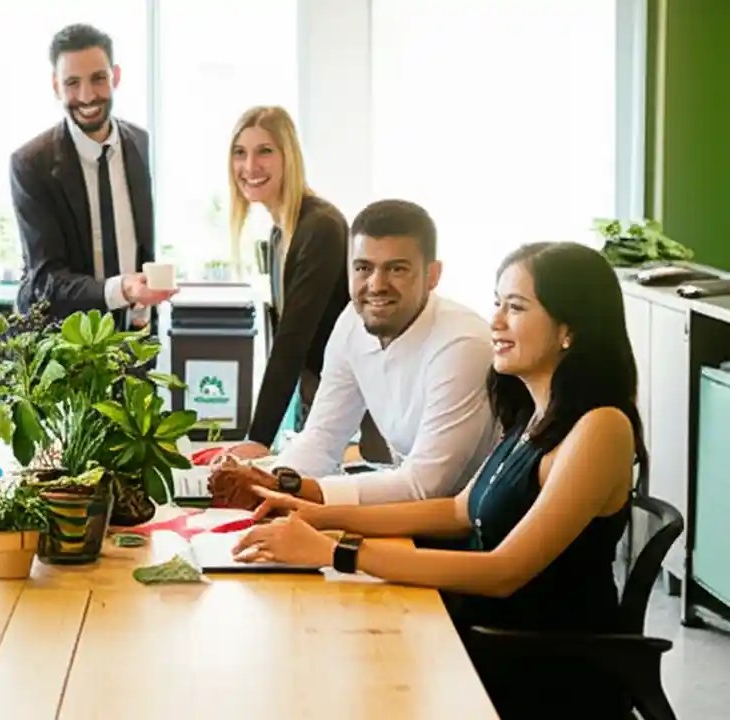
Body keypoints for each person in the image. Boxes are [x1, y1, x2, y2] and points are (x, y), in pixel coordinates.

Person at [235, 242, 640, 717]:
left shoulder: (601, 428)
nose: (496, 322)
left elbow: (503, 571)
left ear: (569, 329)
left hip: (539, 665)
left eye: (516, 307)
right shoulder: (532, 413)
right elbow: (457, 511)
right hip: (483, 634)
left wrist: (334, 551)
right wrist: (318, 516)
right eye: (497, 303)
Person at [211, 199, 498, 509]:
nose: (376, 285)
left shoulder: (462, 344)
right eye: (364, 268)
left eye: (397, 269)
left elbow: (424, 485)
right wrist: (263, 481)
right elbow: (321, 441)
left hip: (472, 526)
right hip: (410, 513)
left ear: (432, 275)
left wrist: (286, 487)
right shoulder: (352, 321)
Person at [10, 23, 174, 329]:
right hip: (61, 346)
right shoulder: (31, 163)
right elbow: (47, 281)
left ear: (117, 77)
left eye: (99, 79)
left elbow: (139, 245)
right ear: (56, 86)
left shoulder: (139, 142)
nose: (86, 96)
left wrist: (140, 308)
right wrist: (123, 290)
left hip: (132, 340)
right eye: (72, 82)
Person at [225, 105, 352, 449]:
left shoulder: (321, 227)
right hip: (317, 402)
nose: (250, 167)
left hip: (351, 410)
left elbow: (291, 342)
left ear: (288, 157)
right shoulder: (279, 235)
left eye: (264, 151)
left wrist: (258, 439)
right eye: (240, 153)